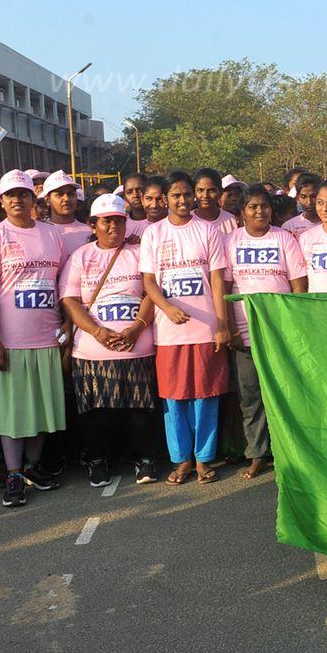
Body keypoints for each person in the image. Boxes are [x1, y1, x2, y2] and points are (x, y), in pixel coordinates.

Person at [0, 169, 66, 506]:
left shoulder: (51, 234)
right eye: (11, 195)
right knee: (12, 411)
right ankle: (13, 474)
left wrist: (65, 329)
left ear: (34, 199)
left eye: (23, 194)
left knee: (42, 407)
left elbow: (61, 283)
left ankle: (32, 466)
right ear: (2, 201)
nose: (17, 199)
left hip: (46, 337)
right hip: (10, 340)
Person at [59, 194, 160, 487]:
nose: (114, 227)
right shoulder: (81, 256)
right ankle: (98, 460)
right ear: (93, 224)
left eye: (119, 221)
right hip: (92, 351)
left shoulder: (138, 254)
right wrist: (98, 332)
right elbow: (71, 300)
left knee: (140, 411)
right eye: (107, 222)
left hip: (136, 347)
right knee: (97, 413)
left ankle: (144, 460)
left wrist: (137, 327)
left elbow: (149, 294)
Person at [140, 171, 232, 485]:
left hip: (205, 328)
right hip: (168, 332)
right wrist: (167, 308)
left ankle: (204, 459)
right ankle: (181, 460)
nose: (182, 201)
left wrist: (221, 324)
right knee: (174, 398)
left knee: (206, 396)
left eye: (186, 195)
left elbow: (218, 280)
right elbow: (149, 282)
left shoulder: (208, 231)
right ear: (165, 199)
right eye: (176, 195)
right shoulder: (153, 234)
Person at [225, 183, 307, 479]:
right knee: (250, 396)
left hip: (279, 331)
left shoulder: (284, 238)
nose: (260, 211)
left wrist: (293, 325)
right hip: (246, 332)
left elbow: (298, 283)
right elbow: (223, 285)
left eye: (264, 206)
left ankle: (288, 451)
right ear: (242, 213)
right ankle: (257, 453)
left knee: (285, 392)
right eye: (253, 207)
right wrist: (230, 327)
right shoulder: (231, 240)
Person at [41, 171, 93, 258]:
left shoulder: (89, 232)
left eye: (70, 194)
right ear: (47, 200)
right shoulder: (40, 231)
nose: (66, 199)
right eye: (59, 194)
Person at [192, 168, 239, 236]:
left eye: (211, 190)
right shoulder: (187, 220)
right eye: (200, 190)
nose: (205, 195)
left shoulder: (231, 220)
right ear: (193, 192)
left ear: (220, 192)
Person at [282, 172, 322, 236]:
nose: (309, 202)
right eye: (303, 197)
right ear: (297, 198)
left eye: (313, 196)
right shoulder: (290, 227)